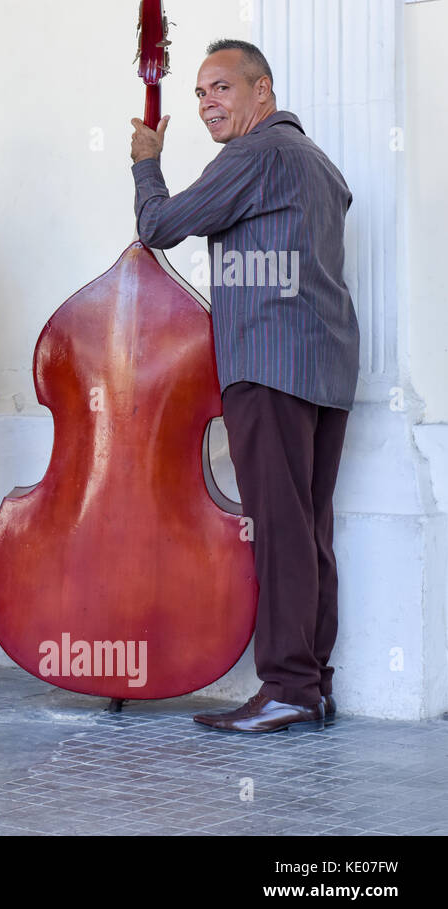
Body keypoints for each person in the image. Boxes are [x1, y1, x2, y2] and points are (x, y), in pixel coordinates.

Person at [129, 39, 359, 733]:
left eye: (222, 89)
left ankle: (288, 686)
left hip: (268, 361)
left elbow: (160, 227)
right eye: (200, 93)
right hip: (325, 365)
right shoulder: (320, 164)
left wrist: (145, 165)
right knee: (308, 527)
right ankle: (311, 683)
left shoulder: (256, 154)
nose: (207, 104)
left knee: (282, 531)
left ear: (264, 92)